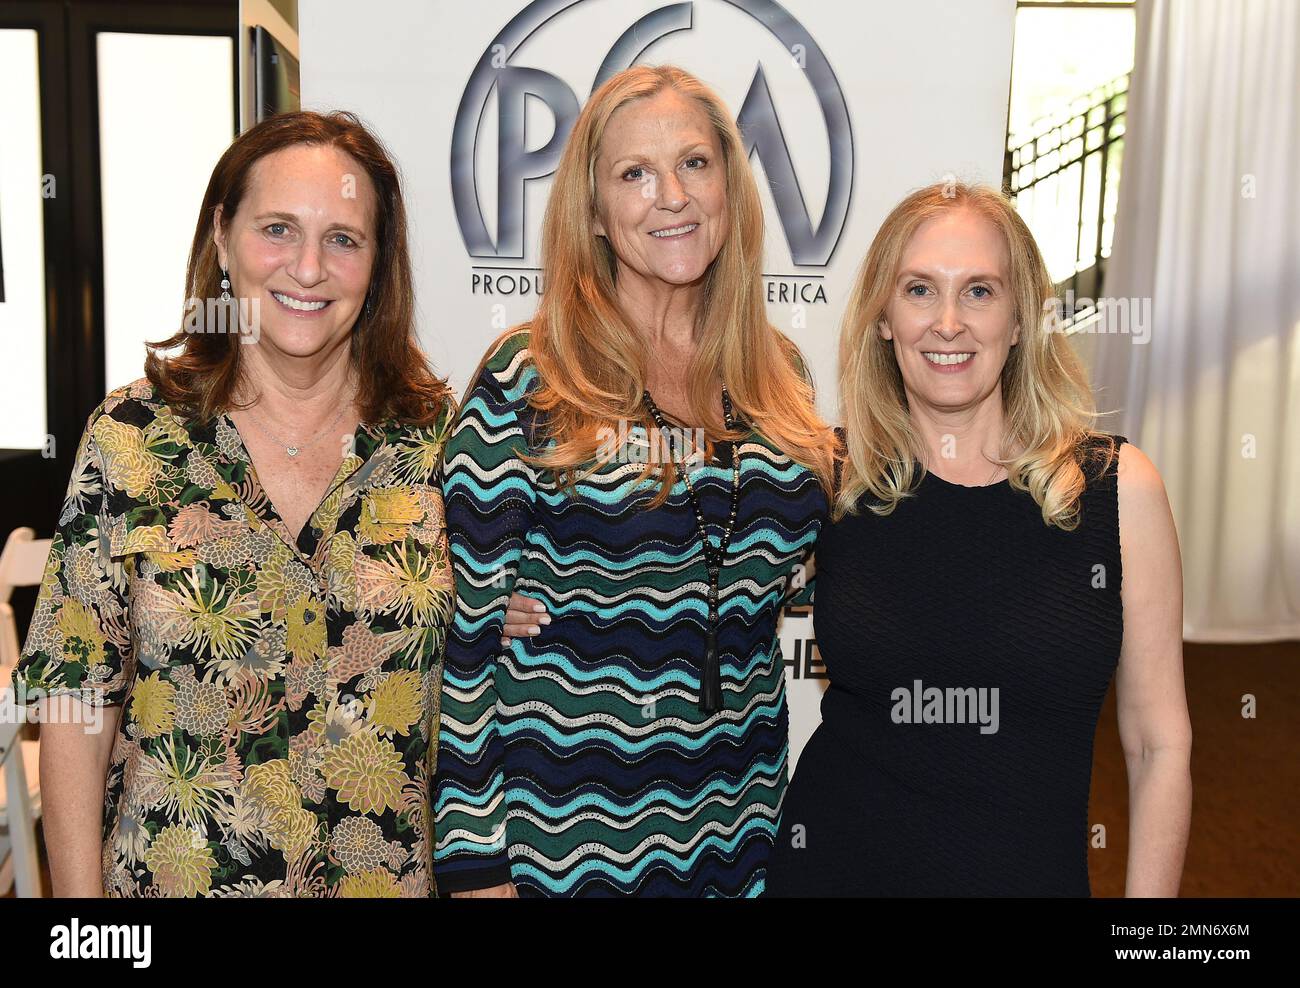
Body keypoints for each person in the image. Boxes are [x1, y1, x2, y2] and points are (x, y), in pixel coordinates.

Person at [12, 111, 456, 897]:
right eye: (278, 229)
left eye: (344, 239)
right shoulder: (132, 440)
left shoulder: (439, 448)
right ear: (222, 237)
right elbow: (78, 703)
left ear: (379, 262)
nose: (308, 268)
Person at [433, 65, 838, 897]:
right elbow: (466, 644)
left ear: (730, 183)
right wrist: (476, 870)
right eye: (634, 173)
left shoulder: (778, 374)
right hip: (562, 846)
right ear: (594, 212)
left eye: (694, 163)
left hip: (744, 836)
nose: (672, 196)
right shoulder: (531, 375)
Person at [764, 182, 1192, 896]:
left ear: (1021, 320)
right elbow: (681, 583)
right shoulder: (827, 478)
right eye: (920, 290)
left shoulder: (1118, 490)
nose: (949, 323)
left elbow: (1158, 744)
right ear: (883, 319)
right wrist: (525, 599)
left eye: (981, 292)